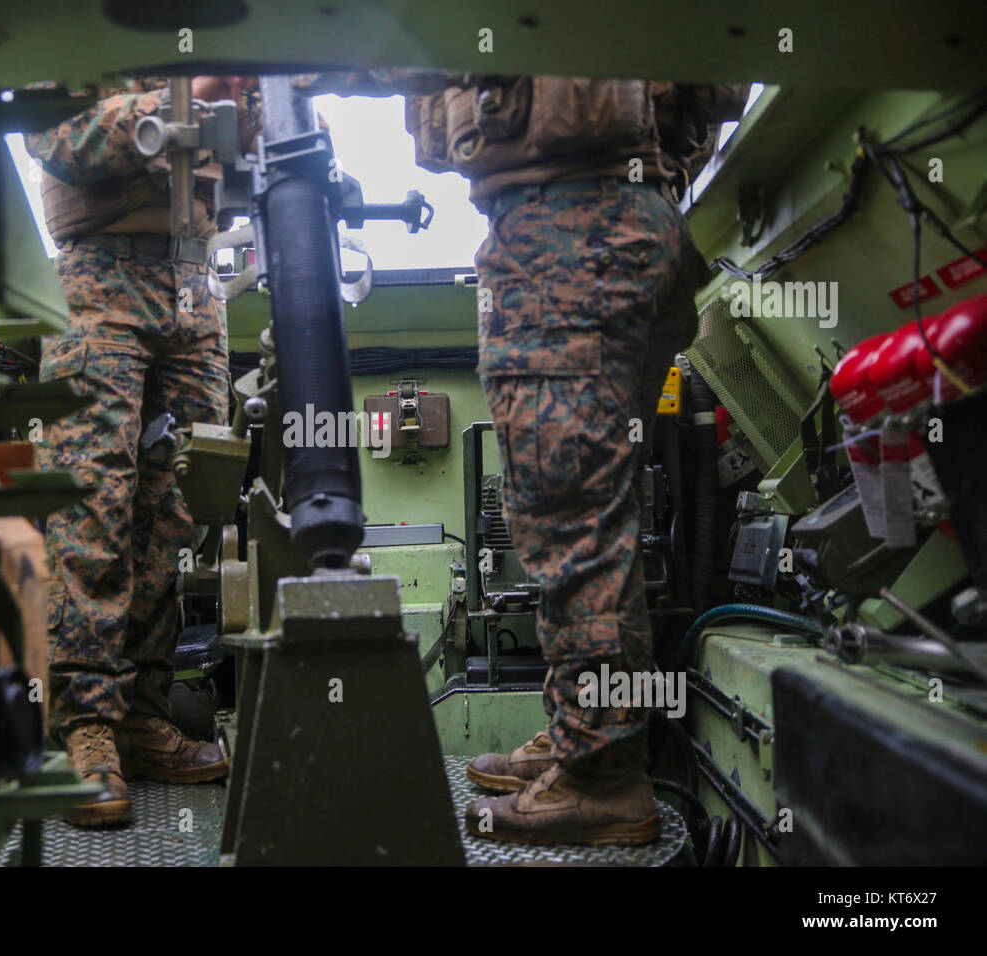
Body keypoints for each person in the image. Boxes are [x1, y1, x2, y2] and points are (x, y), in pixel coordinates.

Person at [295, 72, 745, 845]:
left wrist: (300, 50)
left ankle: (602, 777)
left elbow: (420, 35)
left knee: (567, 510)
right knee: (591, 507)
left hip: (571, 223)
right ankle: (585, 733)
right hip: (621, 212)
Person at [27, 75, 258, 827]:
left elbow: (256, 155)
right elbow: (53, 135)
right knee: (93, 502)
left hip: (194, 283)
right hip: (98, 279)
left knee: (178, 505)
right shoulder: (80, 30)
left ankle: (141, 711)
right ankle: (85, 727)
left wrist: (241, 103)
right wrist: (171, 105)